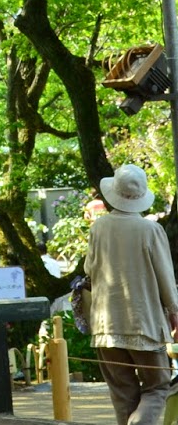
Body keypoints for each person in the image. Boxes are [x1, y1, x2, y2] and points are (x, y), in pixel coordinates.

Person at [84, 164, 178, 425]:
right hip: (144, 322)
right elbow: (166, 280)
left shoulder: (98, 228)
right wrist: (174, 314)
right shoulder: (150, 230)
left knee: (123, 395)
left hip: (106, 325)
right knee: (158, 386)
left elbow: (89, 269)